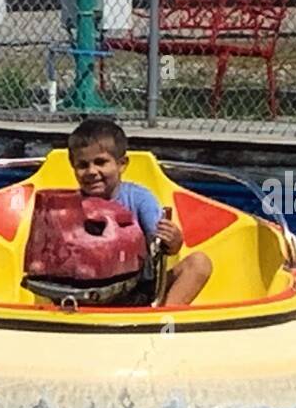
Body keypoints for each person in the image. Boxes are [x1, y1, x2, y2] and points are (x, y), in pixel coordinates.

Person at [67, 118, 212, 306]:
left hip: (138, 289)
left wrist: (173, 241)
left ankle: (161, 318)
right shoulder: (68, 205)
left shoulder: (139, 199)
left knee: (199, 263)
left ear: (122, 164)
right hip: (84, 292)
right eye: (83, 165)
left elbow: (161, 246)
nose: (92, 171)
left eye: (101, 162)